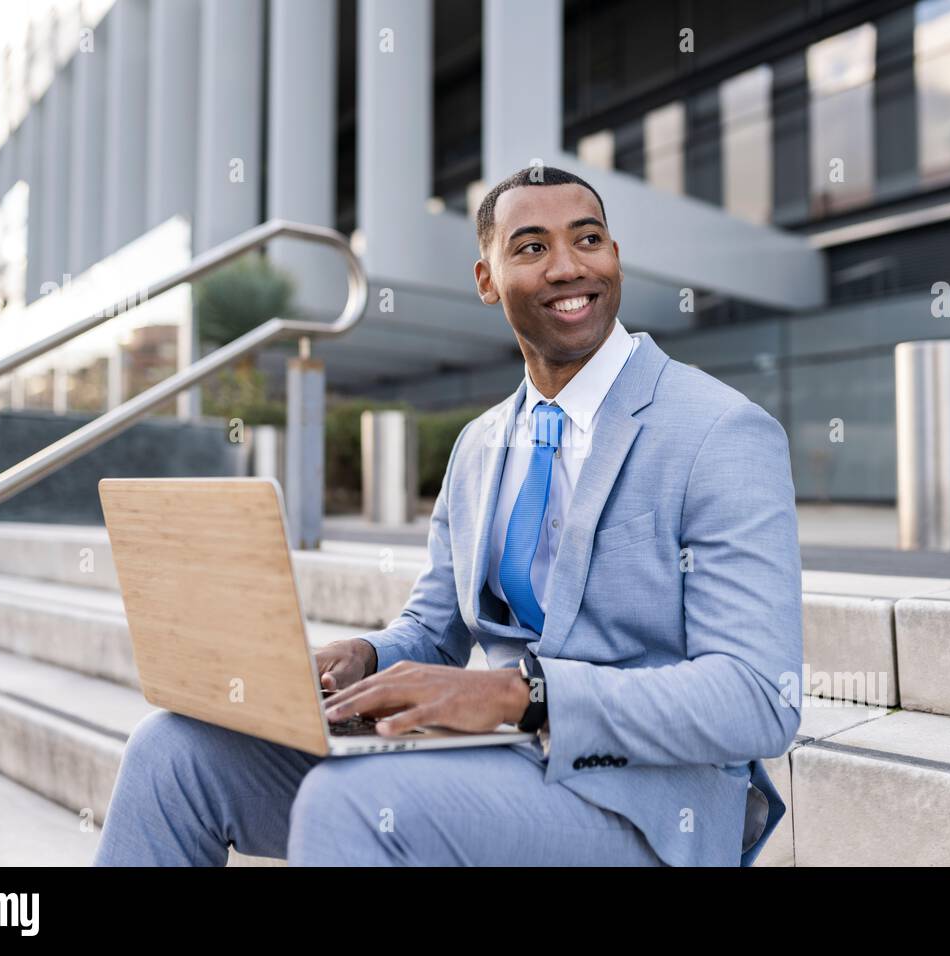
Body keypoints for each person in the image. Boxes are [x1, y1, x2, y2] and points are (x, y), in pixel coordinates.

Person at [93, 165, 802, 867]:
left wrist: (518, 695)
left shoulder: (720, 431)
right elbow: (435, 632)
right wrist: (365, 658)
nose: (567, 266)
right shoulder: (482, 444)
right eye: (531, 247)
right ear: (486, 280)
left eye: (588, 239)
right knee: (173, 751)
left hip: (645, 801)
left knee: (352, 804)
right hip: (491, 758)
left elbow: (758, 698)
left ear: (614, 257)